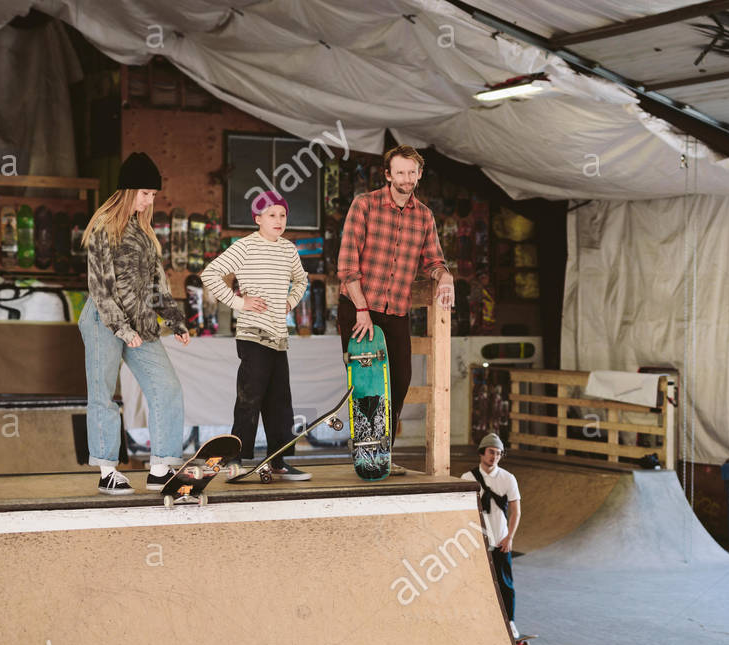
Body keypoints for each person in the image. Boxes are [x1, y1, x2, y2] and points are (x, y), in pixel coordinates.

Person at [337, 145, 454, 474]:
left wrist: (445, 277)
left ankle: (381, 454)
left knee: (399, 381)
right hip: (359, 308)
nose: (406, 178)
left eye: (411, 172)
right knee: (368, 382)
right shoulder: (365, 205)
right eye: (399, 172)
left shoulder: (424, 216)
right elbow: (347, 264)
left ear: (419, 174)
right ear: (388, 175)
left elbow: (433, 261)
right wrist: (362, 308)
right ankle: (367, 453)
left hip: (397, 312)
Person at [79, 151, 189, 495]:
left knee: (166, 388)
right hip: (103, 319)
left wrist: (176, 320)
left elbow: (157, 285)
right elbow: (100, 287)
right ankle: (107, 470)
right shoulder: (102, 229)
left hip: (142, 323)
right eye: (145, 193)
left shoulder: (144, 233)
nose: (149, 200)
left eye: (153, 195)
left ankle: (160, 467)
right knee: (103, 394)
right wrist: (122, 330)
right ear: (128, 191)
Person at [200, 191, 311, 479]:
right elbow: (210, 274)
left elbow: (301, 280)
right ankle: (235, 460)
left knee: (280, 402)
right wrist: (239, 302)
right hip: (252, 334)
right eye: (271, 215)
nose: (278, 220)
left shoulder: (288, 250)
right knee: (250, 398)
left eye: (282, 215)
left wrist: (291, 301)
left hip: (278, 336)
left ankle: (278, 460)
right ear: (257, 219)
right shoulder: (244, 247)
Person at [467, 433, 524, 640]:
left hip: (500, 540)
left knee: (505, 583)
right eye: (491, 452)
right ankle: (478, 620)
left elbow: (516, 511)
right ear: (482, 452)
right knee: (476, 583)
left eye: (499, 453)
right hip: (477, 542)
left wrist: (509, 538)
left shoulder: (508, 478)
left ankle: (510, 621)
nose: (494, 457)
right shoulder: (468, 478)